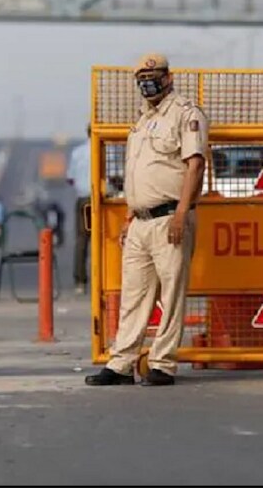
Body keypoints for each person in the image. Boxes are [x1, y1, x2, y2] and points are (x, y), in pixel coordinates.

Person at [85, 53, 208, 387]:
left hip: (170, 217)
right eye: (141, 77)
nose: (147, 82)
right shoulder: (140, 121)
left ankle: (163, 363)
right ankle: (121, 363)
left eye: (152, 75)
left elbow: (195, 165)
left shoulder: (185, 114)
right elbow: (137, 174)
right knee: (134, 295)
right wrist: (129, 218)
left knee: (171, 294)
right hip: (140, 221)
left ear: (168, 77)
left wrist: (182, 214)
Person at [66, 125, 92, 295]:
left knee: (82, 241)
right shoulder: (106, 149)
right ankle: (104, 277)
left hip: (83, 199)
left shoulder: (77, 153)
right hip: (102, 200)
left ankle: (80, 282)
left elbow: (71, 178)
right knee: (106, 240)